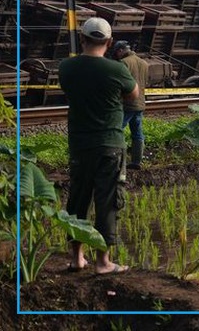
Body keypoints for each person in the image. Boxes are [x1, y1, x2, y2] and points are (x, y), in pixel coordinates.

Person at [59, 17, 138, 274]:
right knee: (107, 202)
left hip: (79, 146)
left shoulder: (67, 68)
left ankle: (76, 259)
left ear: (82, 39)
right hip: (110, 145)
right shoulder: (116, 70)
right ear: (109, 41)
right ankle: (103, 262)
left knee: (78, 200)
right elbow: (133, 94)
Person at [111, 40, 148, 170]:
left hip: (127, 104)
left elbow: (119, 85)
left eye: (117, 52)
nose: (116, 55)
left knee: (116, 131)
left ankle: (117, 161)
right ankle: (136, 162)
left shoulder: (123, 63)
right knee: (137, 133)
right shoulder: (144, 63)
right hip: (140, 104)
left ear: (121, 50)